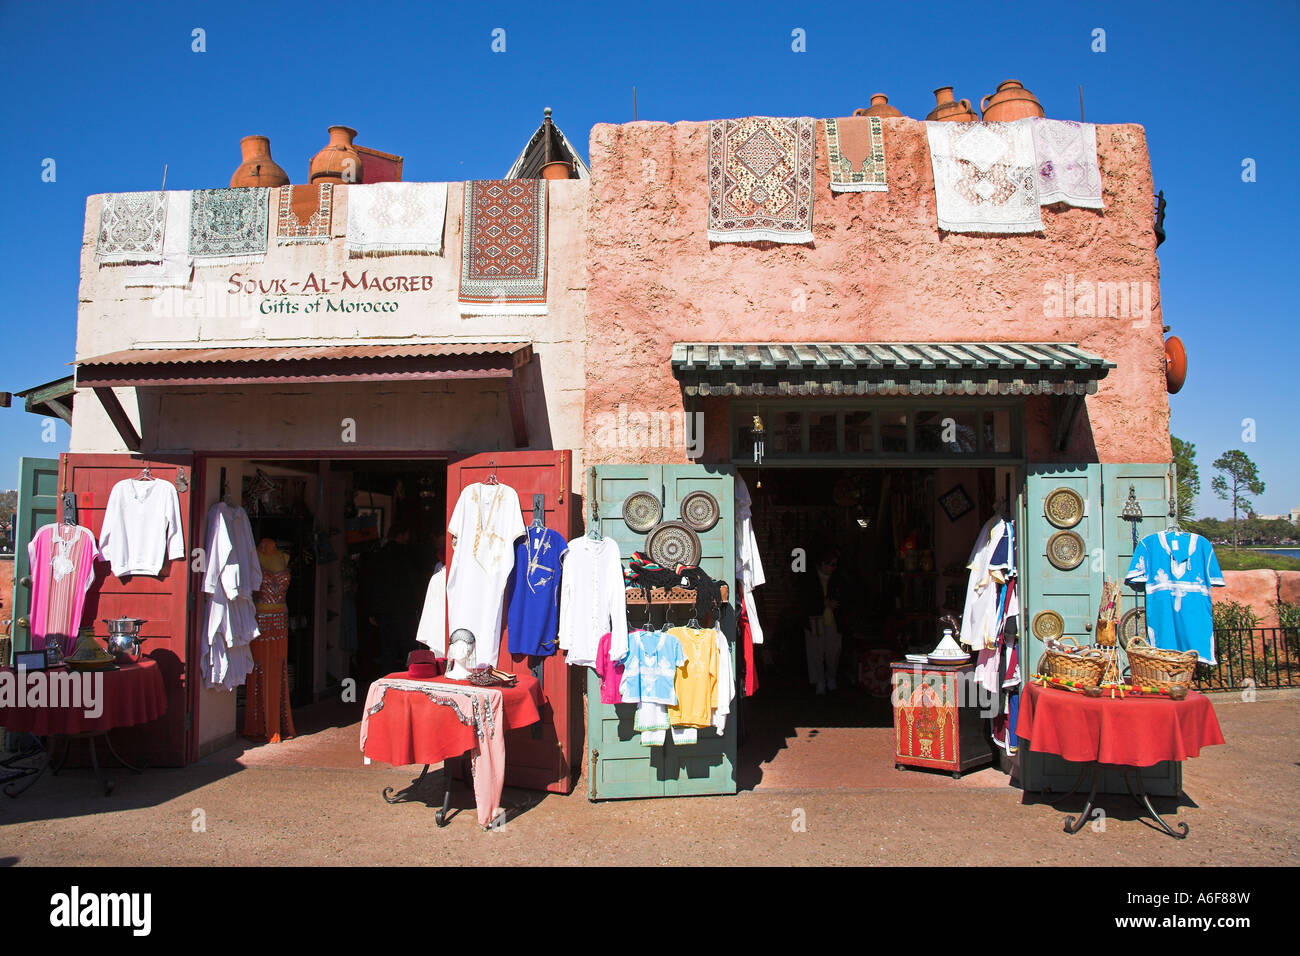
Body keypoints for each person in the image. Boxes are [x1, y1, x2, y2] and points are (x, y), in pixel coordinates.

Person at [799, 548, 847, 695]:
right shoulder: (809, 579)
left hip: (833, 622)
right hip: (815, 621)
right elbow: (804, 599)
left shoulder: (838, 579)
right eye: (830, 564)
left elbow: (846, 597)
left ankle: (830, 678)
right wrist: (824, 603)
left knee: (833, 652)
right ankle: (820, 680)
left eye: (834, 564)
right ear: (821, 564)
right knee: (816, 652)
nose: (832, 567)